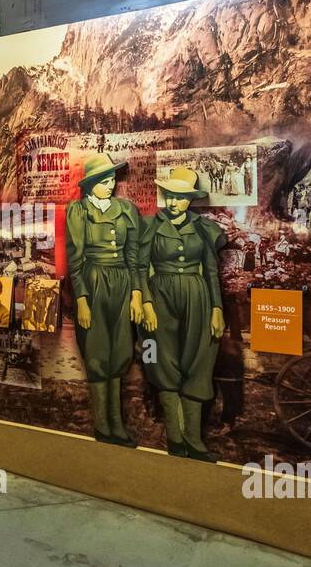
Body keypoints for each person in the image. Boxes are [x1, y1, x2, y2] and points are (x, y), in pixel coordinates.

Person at [137, 167, 227, 462]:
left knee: (199, 360)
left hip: (196, 296)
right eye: (171, 196)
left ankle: (194, 440)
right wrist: (146, 303)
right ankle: (175, 438)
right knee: (160, 360)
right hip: (160, 295)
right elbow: (139, 268)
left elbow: (212, 271)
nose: (175, 203)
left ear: (190, 200)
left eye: (181, 198)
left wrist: (216, 309)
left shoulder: (204, 229)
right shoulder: (150, 226)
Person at [64, 153, 142, 446]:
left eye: (112, 180)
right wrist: (82, 299)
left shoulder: (126, 210)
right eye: (103, 180)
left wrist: (136, 294)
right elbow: (76, 260)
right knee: (97, 353)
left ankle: (116, 424)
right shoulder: (79, 211)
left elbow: (133, 256)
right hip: (94, 282)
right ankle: (102, 425)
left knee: (120, 351)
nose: (109, 185)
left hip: (121, 282)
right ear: (90, 184)